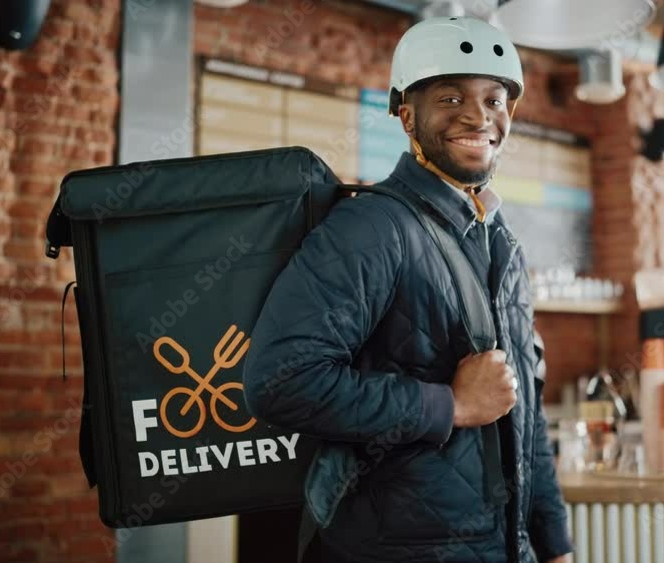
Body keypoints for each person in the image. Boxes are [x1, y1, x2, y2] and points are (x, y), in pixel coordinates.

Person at [242, 17, 571, 563]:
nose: (477, 116)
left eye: (494, 99)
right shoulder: (371, 227)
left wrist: (553, 541)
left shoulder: (501, 242)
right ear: (406, 116)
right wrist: (452, 405)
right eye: (450, 97)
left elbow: (522, 407)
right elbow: (279, 381)